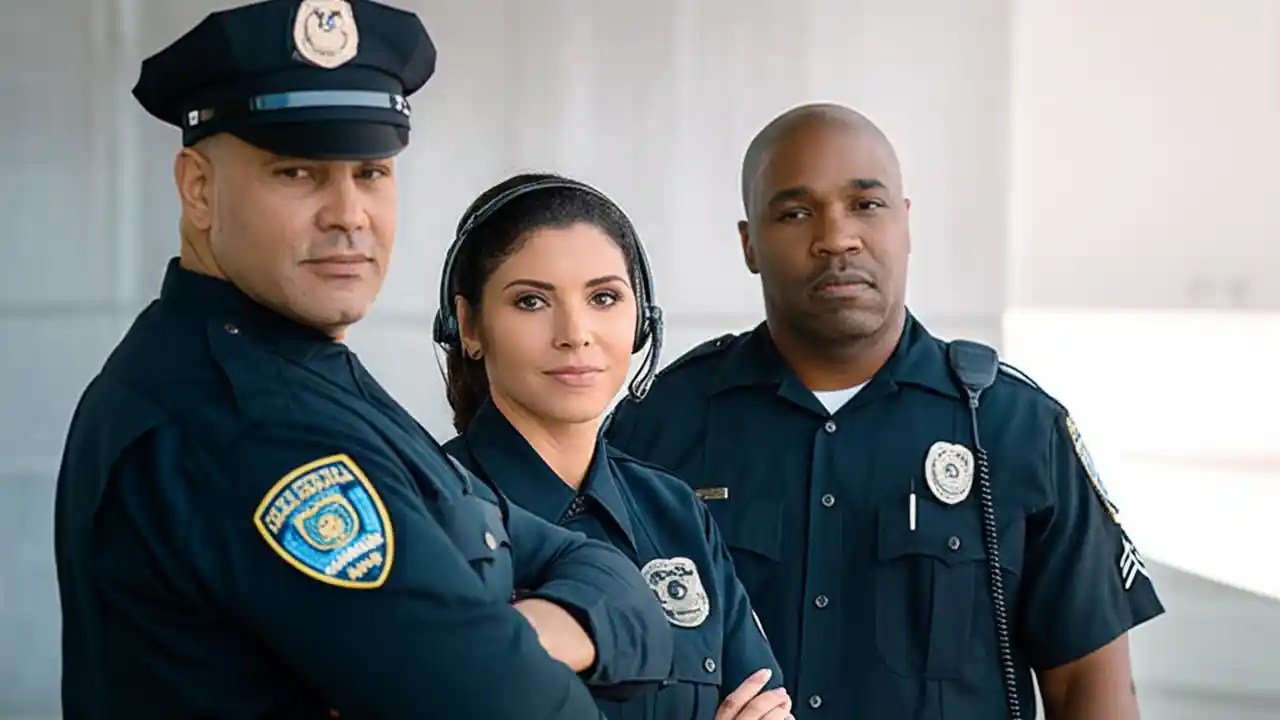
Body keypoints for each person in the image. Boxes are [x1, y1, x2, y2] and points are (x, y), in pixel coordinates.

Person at [52, 2, 674, 718]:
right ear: (198, 189)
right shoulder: (251, 427)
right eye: (297, 173)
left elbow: (605, 574)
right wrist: (519, 652)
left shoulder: (301, 371)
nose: (349, 214)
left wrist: (508, 637)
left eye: (371, 171)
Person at [604, 103, 1166, 719]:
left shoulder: (1016, 428)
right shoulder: (657, 427)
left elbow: (1089, 687)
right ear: (750, 244)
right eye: (795, 212)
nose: (836, 237)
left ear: (905, 223)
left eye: (865, 205)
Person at [433, 173, 792, 720]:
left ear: (641, 320)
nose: (575, 333)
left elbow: (766, 706)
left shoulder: (674, 515)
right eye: (531, 301)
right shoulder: (421, 506)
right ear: (470, 326)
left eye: (603, 297)